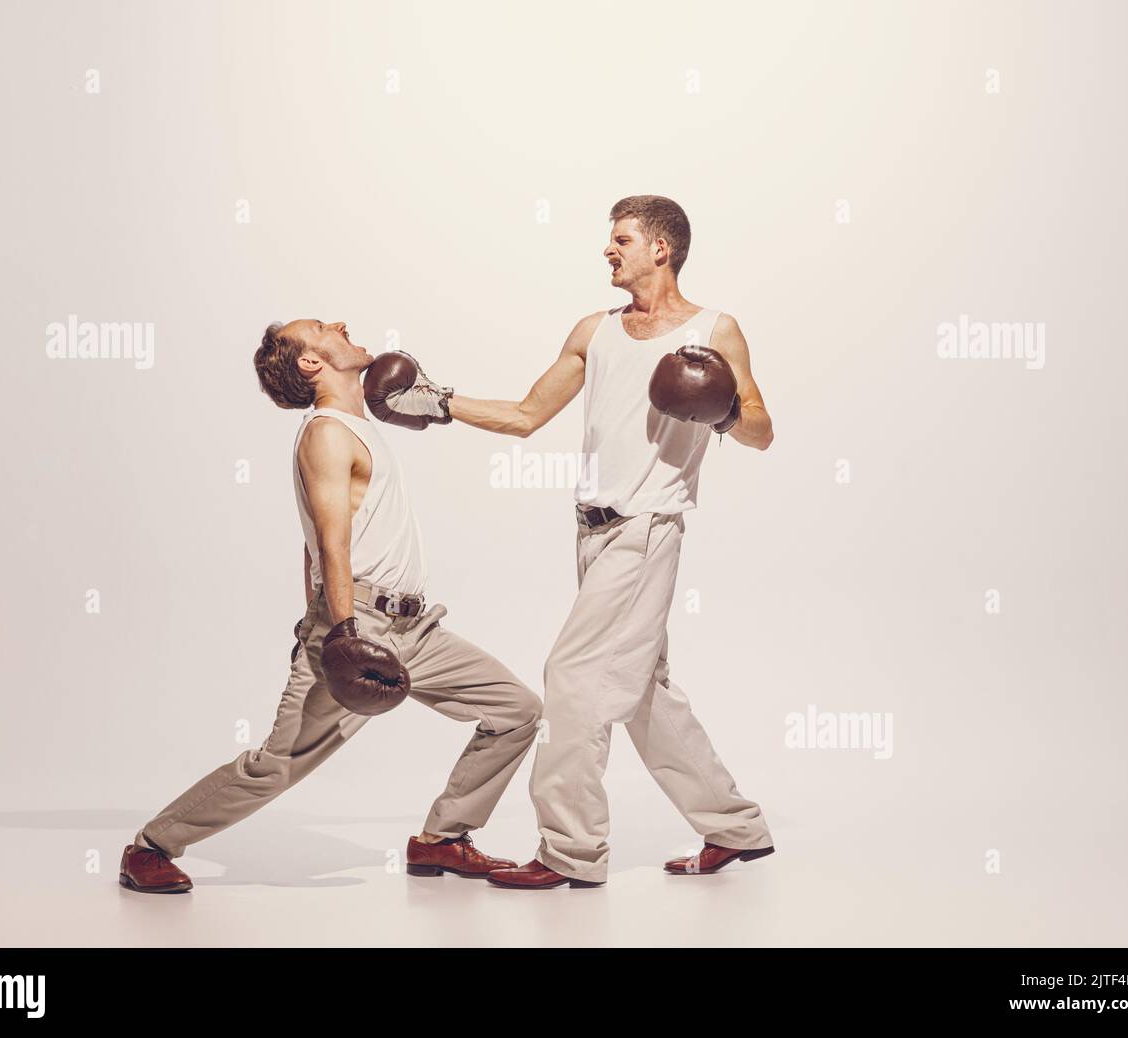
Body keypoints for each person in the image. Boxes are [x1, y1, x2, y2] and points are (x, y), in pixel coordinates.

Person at [364, 195, 777, 889]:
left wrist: (727, 408)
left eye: (621, 240)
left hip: (646, 530)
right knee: (643, 693)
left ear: (661, 250)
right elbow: (526, 415)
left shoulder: (715, 329)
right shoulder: (595, 330)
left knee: (572, 681)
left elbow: (763, 431)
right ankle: (735, 828)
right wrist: (438, 401)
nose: (608, 252)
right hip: (590, 533)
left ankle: (571, 852)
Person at [118, 319, 541, 893]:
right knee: (277, 763)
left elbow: (310, 547)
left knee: (516, 710)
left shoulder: (354, 425)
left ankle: (441, 840)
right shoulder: (326, 434)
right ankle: (151, 847)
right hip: (357, 622)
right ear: (311, 365)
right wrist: (338, 631)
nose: (340, 324)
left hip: (414, 627)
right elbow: (331, 543)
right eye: (321, 328)